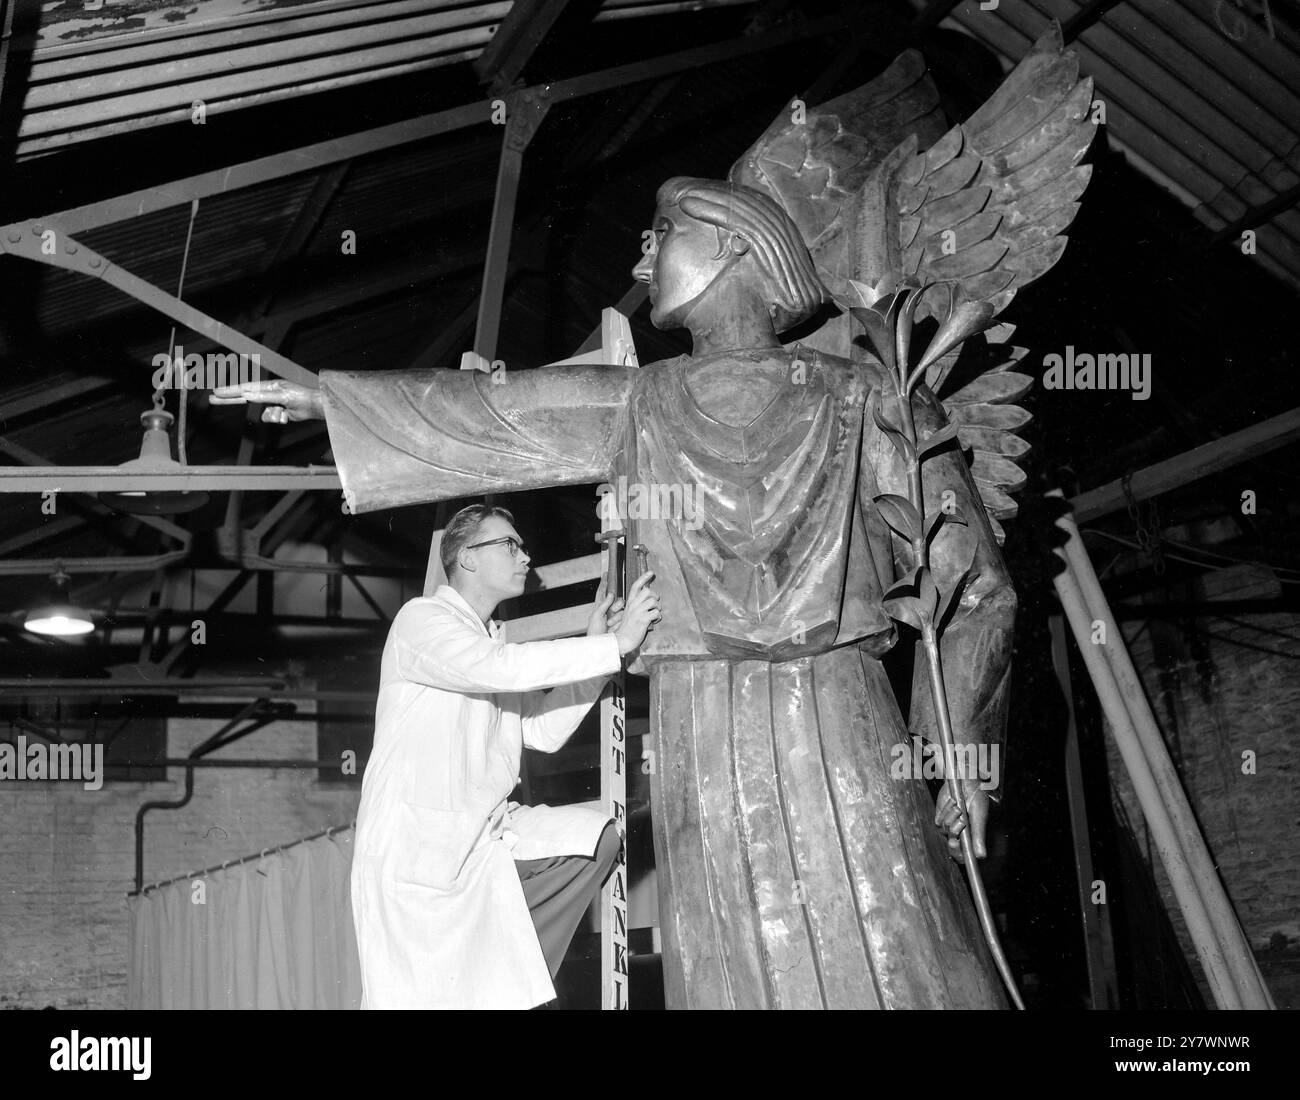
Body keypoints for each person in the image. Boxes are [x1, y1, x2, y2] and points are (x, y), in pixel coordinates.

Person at [349, 502, 660, 1009]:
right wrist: (615, 645)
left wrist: (598, 651)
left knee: (596, 838)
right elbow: (495, 668)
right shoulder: (422, 620)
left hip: (484, 841)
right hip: (417, 852)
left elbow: (541, 730)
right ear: (467, 558)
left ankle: (506, 974)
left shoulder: (485, 642)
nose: (526, 556)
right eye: (509, 545)